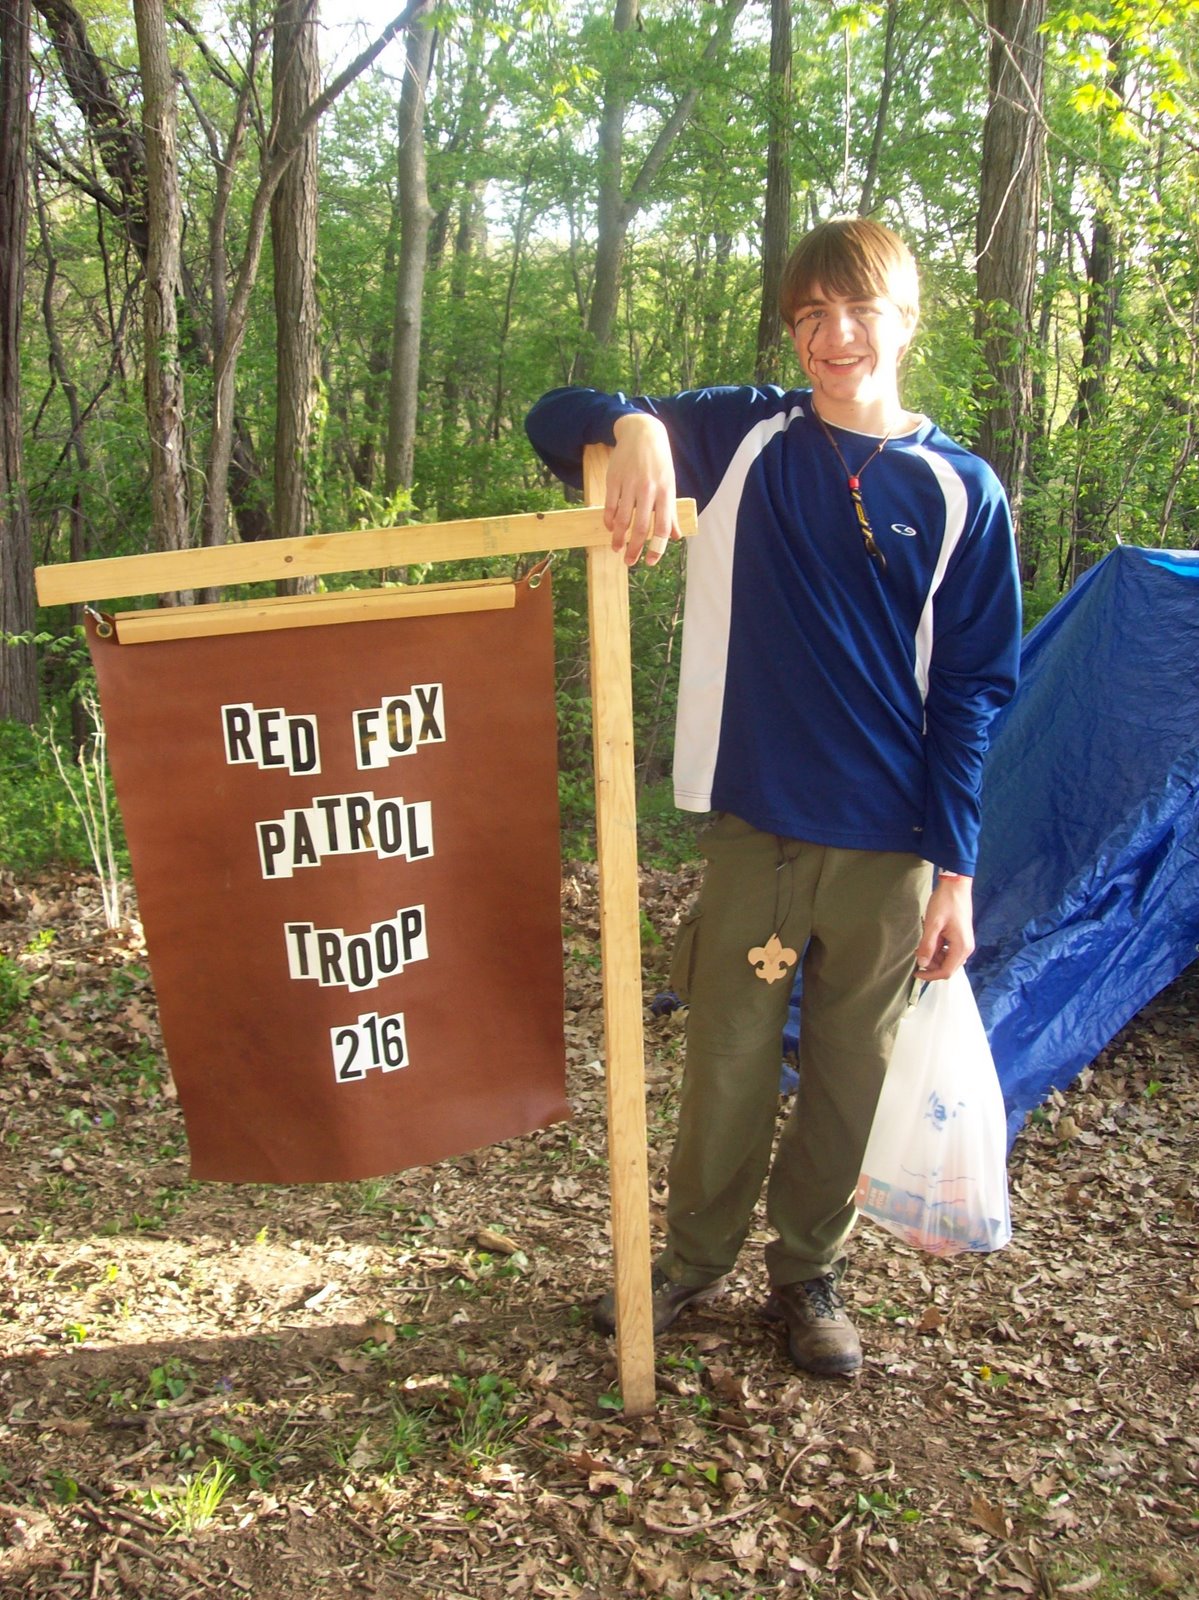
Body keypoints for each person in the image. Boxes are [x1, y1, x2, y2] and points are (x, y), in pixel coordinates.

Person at [525, 219, 1021, 1377]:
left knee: (848, 1076)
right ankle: (692, 1260)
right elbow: (557, 413)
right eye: (807, 315)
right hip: (754, 819)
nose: (831, 336)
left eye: (854, 311)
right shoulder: (748, 433)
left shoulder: (959, 489)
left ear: (904, 317)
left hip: (890, 846)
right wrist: (635, 422)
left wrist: (955, 868)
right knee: (727, 1065)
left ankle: (807, 1276)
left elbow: (971, 690)